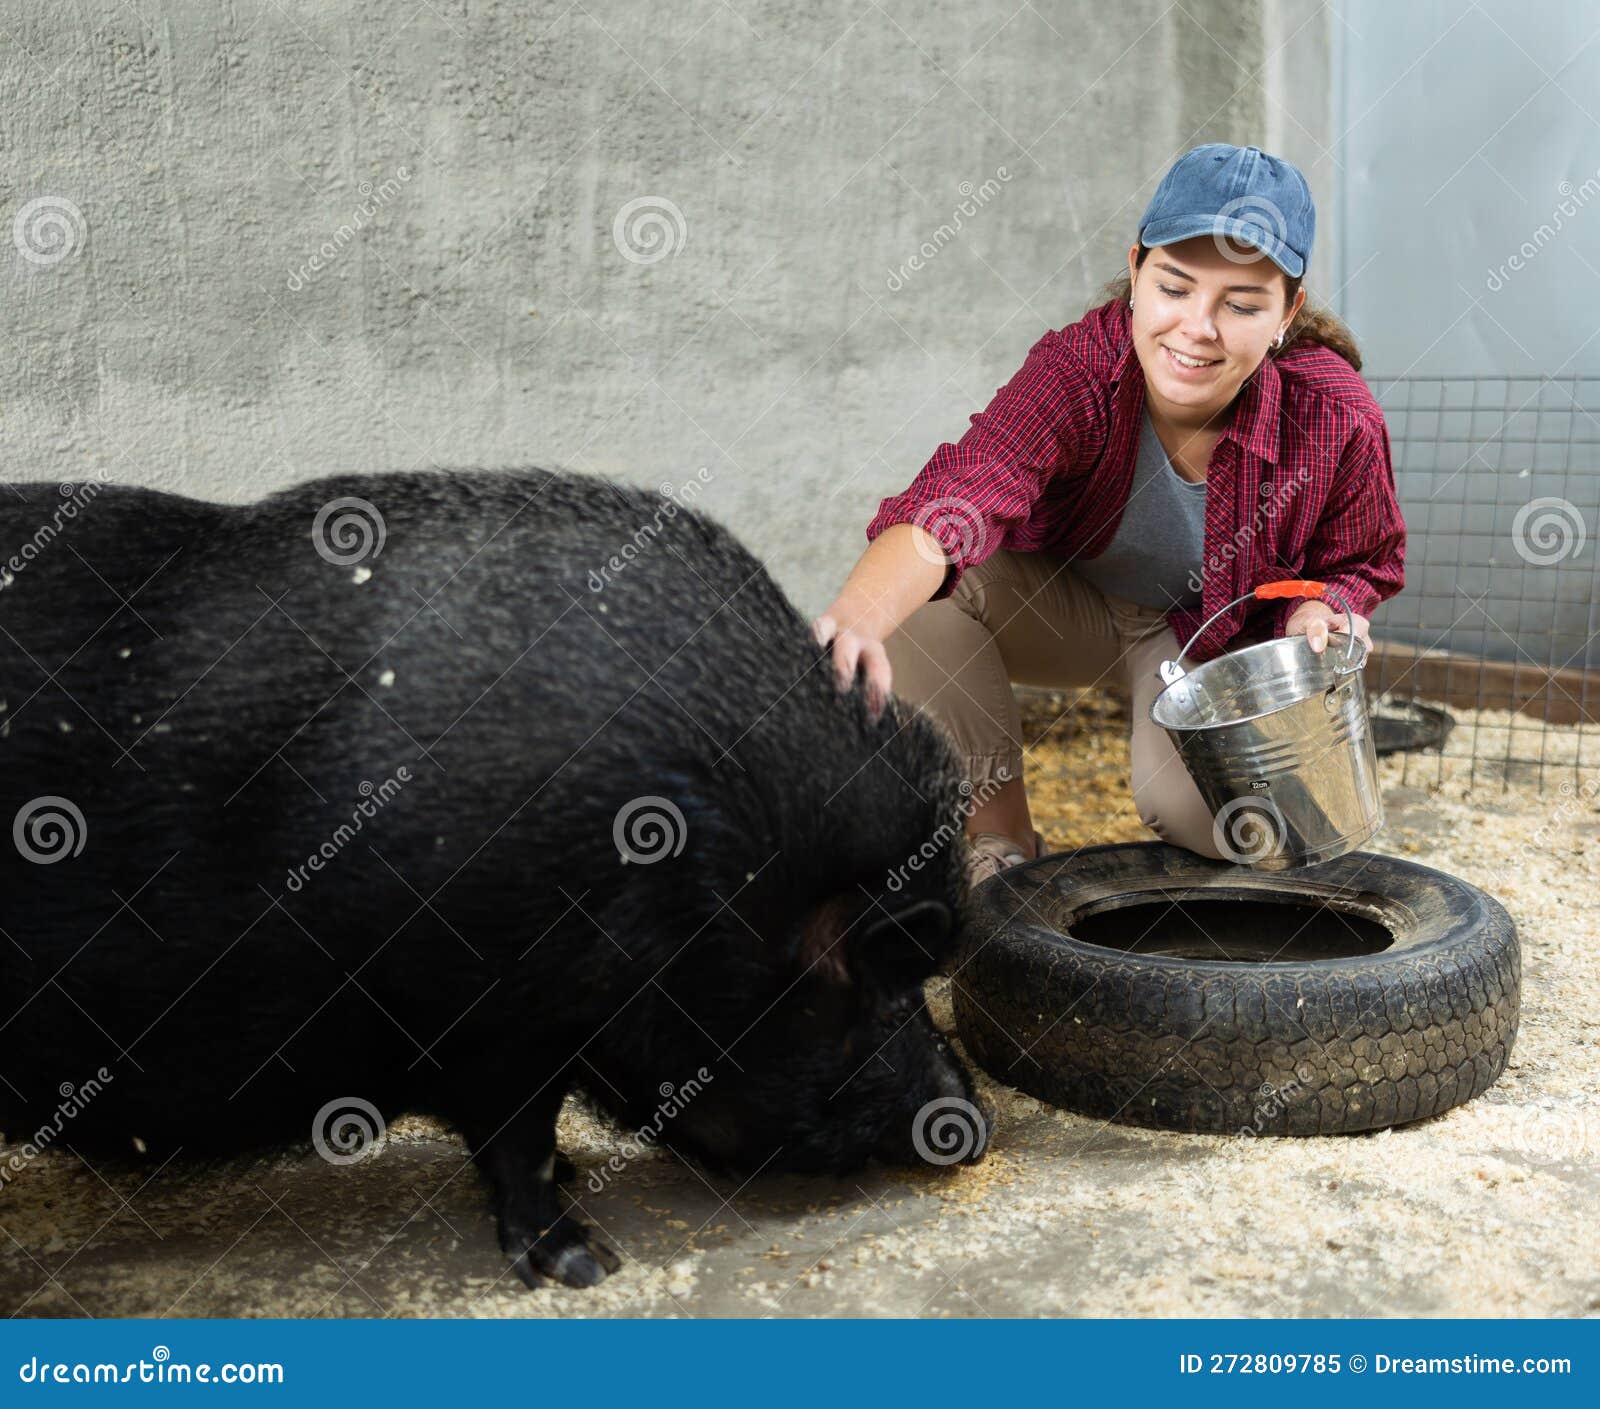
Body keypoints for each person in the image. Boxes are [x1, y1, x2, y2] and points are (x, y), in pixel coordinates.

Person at [811, 143, 1405, 886]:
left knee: (1234, 830)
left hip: (1204, 650)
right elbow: (958, 498)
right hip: (1070, 611)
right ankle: (1001, 845)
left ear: (1288, 310)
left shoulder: (1335, 413)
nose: (1198, 328)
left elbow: (1364, 560)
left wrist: (1324, 607)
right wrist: (854, 621)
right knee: (924, 599)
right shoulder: (1078, 370)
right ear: (1135, 271)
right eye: (1175, 288)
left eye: (1242, 304)